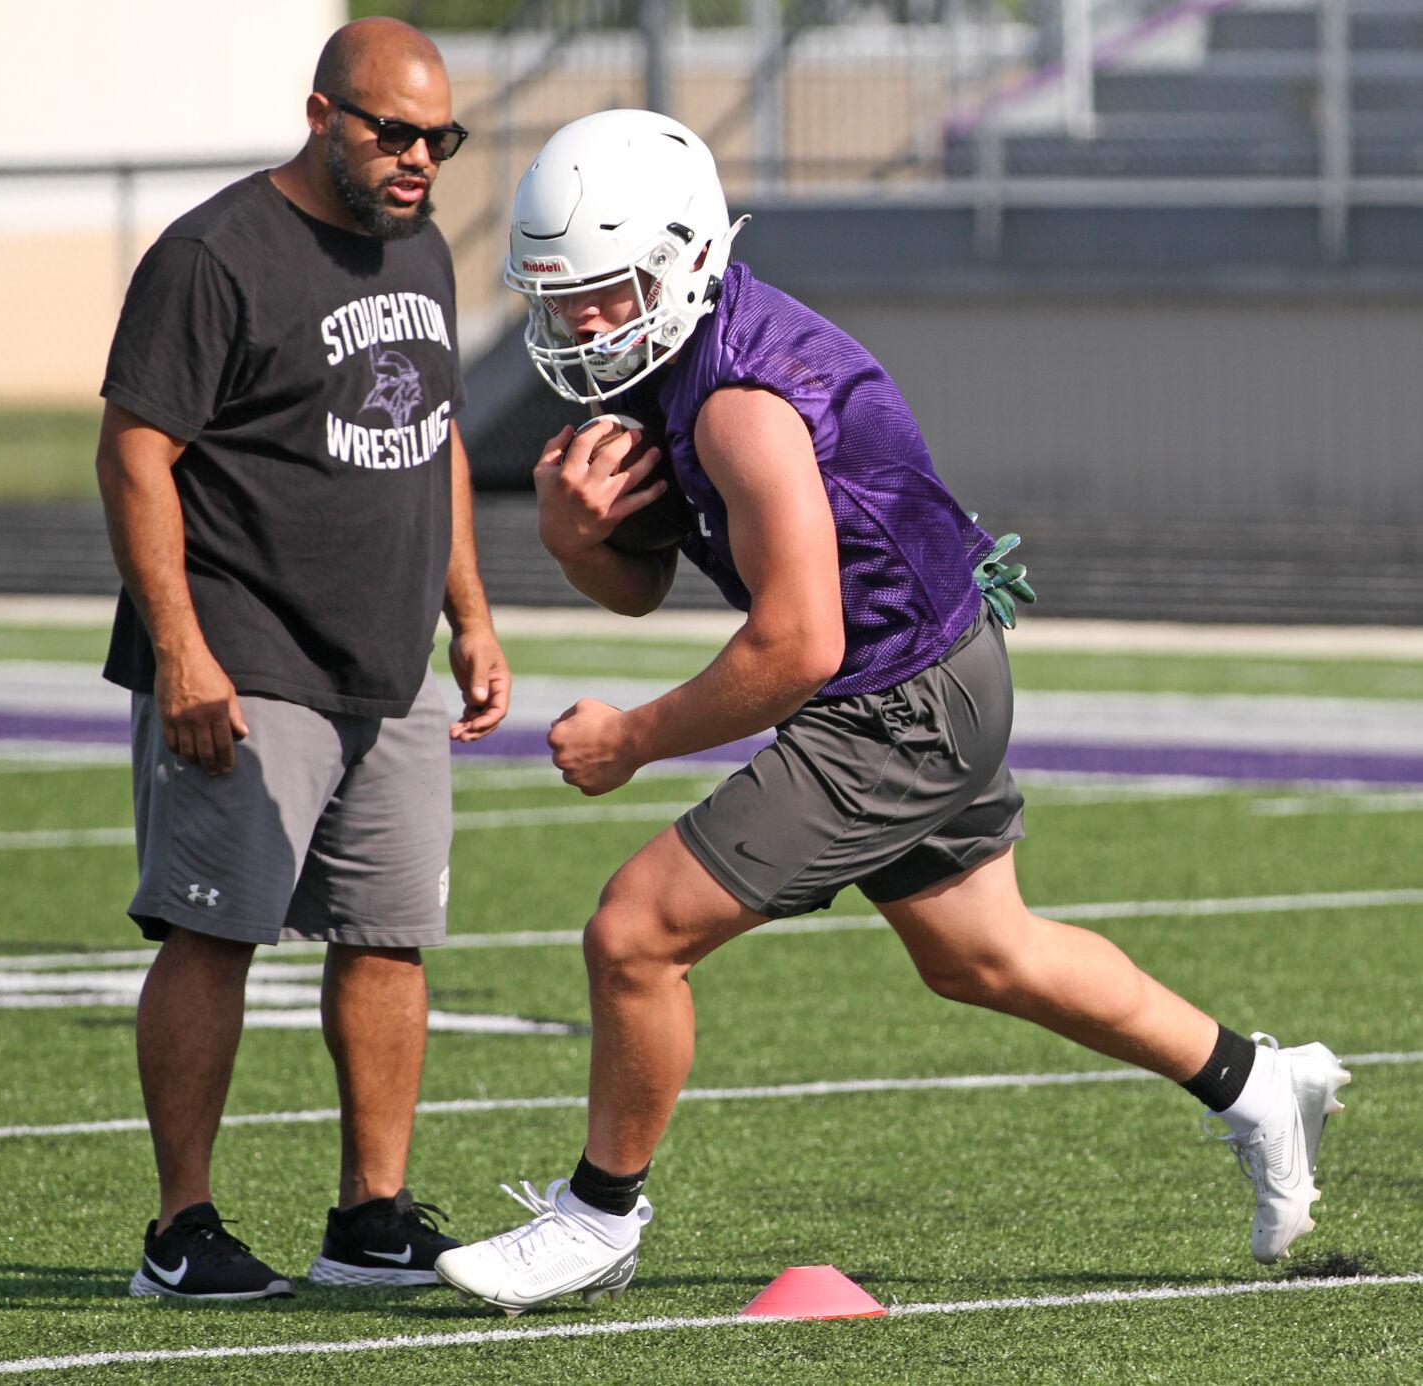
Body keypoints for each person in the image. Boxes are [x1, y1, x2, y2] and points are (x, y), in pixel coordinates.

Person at [432, 109, 1350, 1316]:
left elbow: (797, 645)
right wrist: (570, 536)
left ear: (685, 256)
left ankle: (597, 1215)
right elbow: (645, 584)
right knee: (985, 955)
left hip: (891, 698)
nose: (587, 322)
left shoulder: (737, 402)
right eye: (566, 298)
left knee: (634, 935)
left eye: (612, 290)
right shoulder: (679, 356)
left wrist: (634, 739)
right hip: (923, 668)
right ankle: (1251, 1083)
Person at [95, 17, 509, 1302]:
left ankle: (370, 1216)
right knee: (212, 935)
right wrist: (181, 652)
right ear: (322, 112)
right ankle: (183, 1227)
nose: (418, 161)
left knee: (388, 941)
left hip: (387, 662)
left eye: (439, 140)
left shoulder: (425, 249)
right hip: (246, 653)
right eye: (394, 132)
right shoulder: (216, 253)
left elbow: (434, 435)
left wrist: (471, 614)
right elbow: (134, 453)